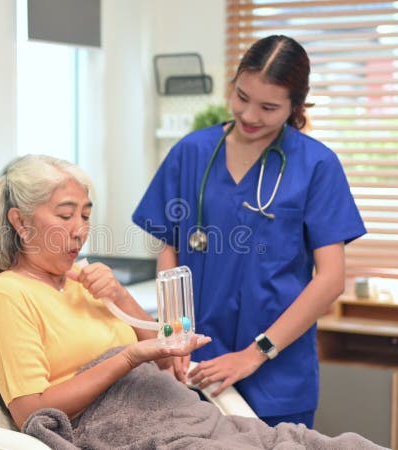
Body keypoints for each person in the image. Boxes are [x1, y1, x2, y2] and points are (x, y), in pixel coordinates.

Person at [132, 35, 367, 428]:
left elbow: (330, 279)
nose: (249, 114)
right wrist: (174, 335)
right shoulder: (192, 153)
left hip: (277, 379)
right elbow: (169, 248)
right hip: (195, 372)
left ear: (295, 106)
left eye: (268, 107)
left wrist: (254, 354)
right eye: (241, 97)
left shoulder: (317, 166)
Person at [0, 154, 210, 429]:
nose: (81, 230)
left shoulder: (86, 282)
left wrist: (119, 295)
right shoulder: (6, 296)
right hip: (108, 431)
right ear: (21, 222)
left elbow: (167, 360)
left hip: (166, 413)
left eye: (85, 216)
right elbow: (30, 411)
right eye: (66, 215)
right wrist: (127, 358)